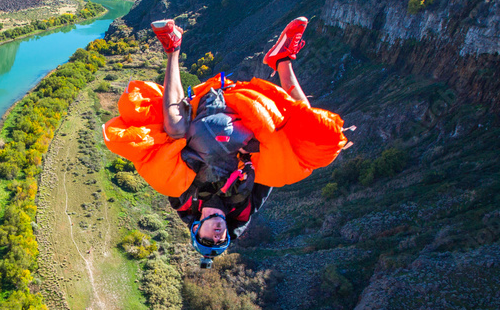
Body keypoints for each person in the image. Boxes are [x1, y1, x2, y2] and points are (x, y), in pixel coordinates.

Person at [103, 17, 350, 267]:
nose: (217, 237)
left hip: (198, 123)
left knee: (174, 128)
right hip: (246, 126)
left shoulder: (184, 202)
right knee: (313, 135)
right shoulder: (242, 209)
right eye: (221, 242)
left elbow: (170, 162)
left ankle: (172, 49)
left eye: (207, 240)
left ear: (197, 228)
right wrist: (253, 150)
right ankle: (282, 60)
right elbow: (271, 171)